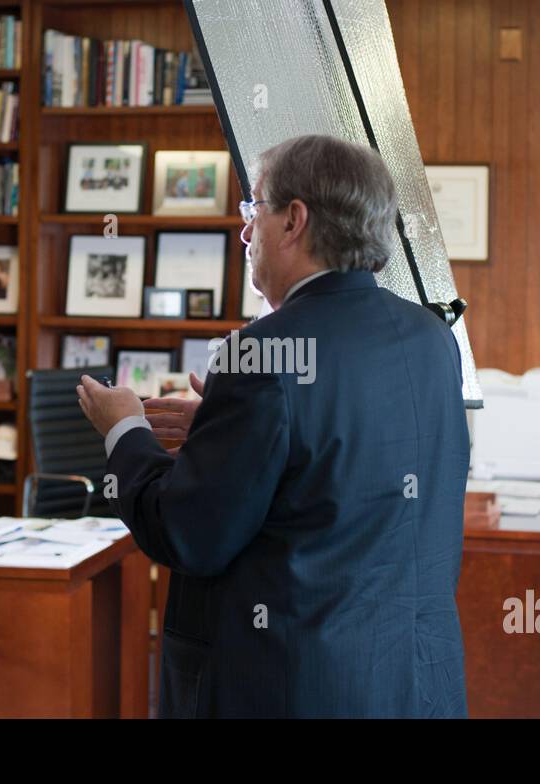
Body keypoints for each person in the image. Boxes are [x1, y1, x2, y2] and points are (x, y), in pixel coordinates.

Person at [77, 134, 470, 717]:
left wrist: (125, 431)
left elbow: (187, 534)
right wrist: (226, 431)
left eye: (252, 208)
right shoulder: (431, 336)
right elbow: (350, 463)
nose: (244, 233)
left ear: (293, 220)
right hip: (414, 683)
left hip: (295, 687)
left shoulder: (259, 354)